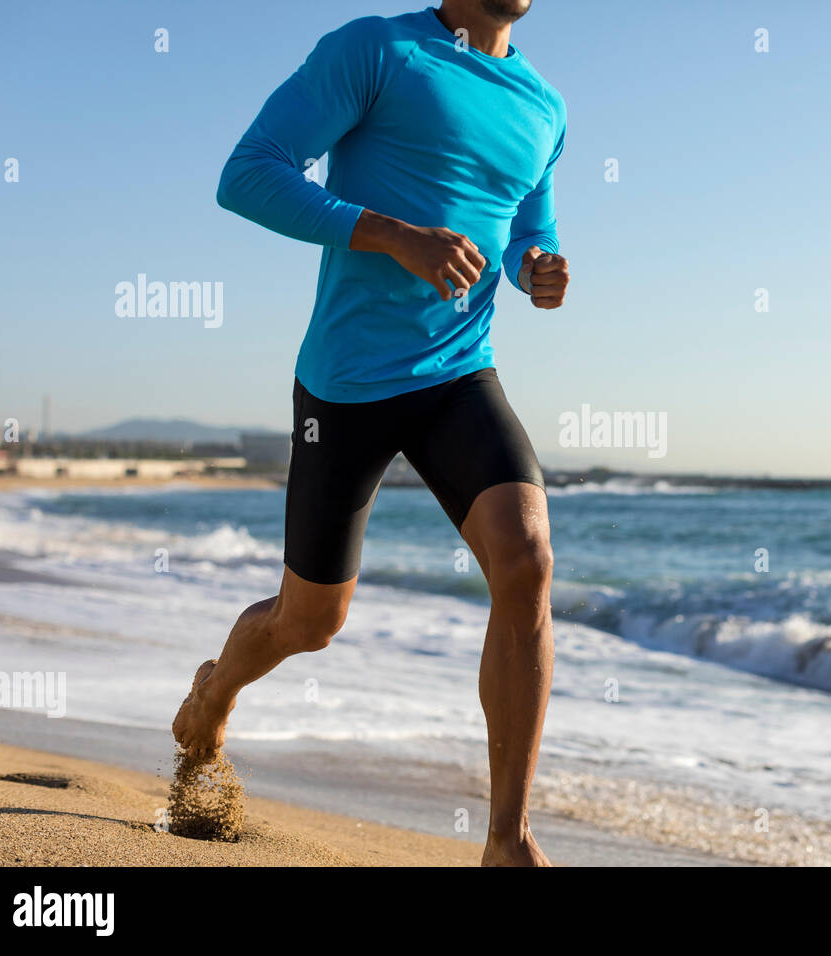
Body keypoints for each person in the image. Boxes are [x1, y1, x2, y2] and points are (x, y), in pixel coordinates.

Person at [171, 0, 568, 867]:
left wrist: (537, 266)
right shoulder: (377, 49)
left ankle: (505, 839)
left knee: (527, 556)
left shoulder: (544, 104)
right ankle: (211, 699)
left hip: (461, 370)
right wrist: (388, 234)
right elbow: (247, 173)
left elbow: (526, 225)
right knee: (309, 621)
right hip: (346, 383)